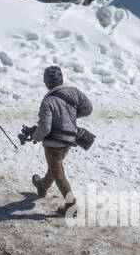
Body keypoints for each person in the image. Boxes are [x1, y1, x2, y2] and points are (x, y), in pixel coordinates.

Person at [27, 65, 93, 214]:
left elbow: (45, 127)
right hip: (70, 140)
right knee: (55, 167)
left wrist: (35, 137)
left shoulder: (47, 101)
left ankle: (71, 205)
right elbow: (88, 108)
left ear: (46, 83)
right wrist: (70, 119)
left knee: (58, 173)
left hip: (53, 144)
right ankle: (42, 186)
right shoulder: (74, 92)